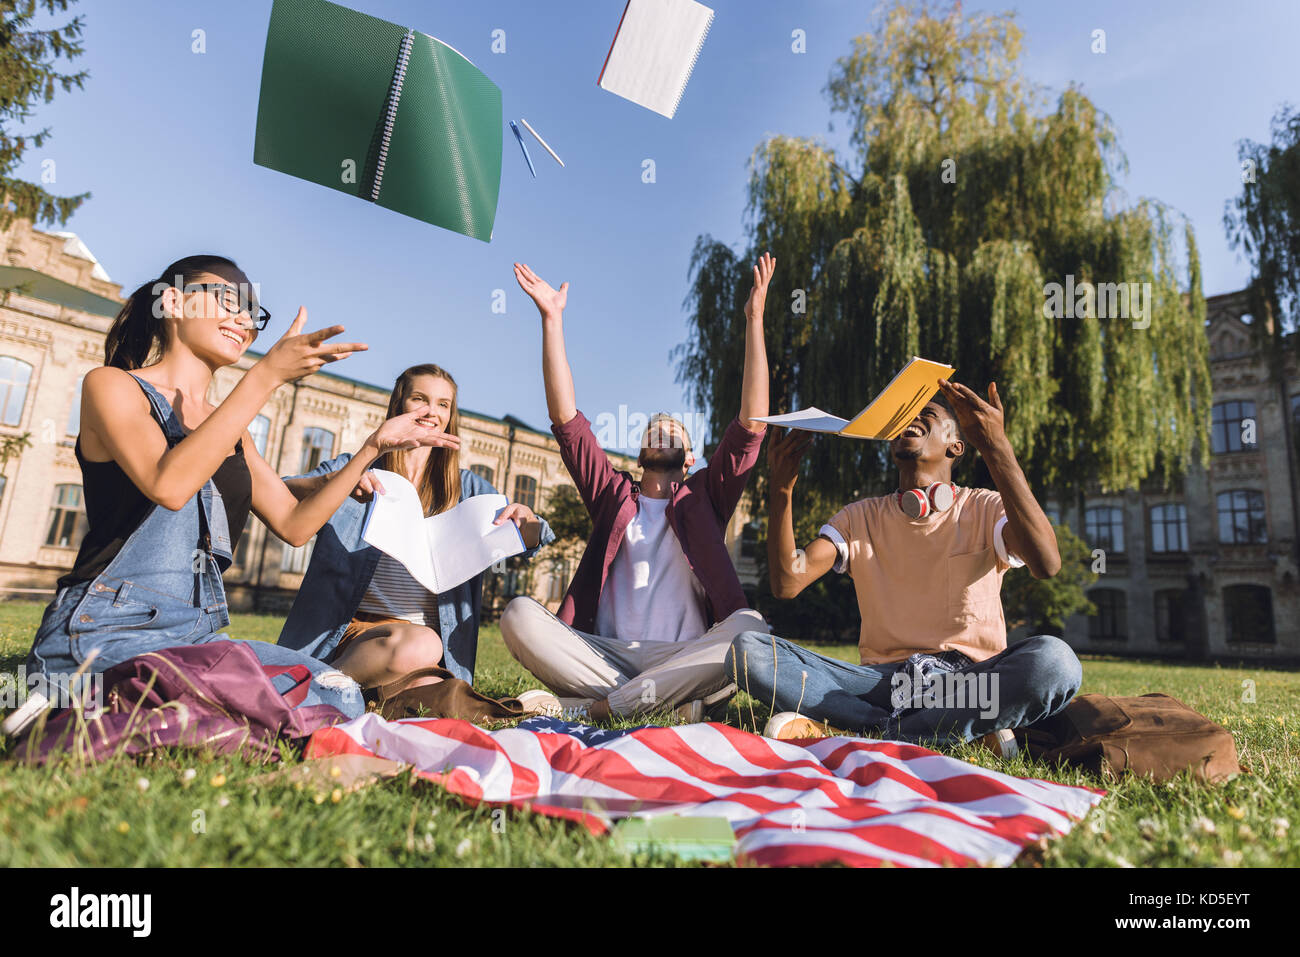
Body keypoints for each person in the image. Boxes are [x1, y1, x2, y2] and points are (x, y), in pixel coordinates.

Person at [18, 255, 459, 731]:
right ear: (172, 301)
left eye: (253, 312)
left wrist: (370, 450)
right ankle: (99, 701)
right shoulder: (113, 385)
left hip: (194, 637)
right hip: (106, 627)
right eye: (228, 300)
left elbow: (294, 523)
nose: (245, 320)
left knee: (341, 694)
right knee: (236, 694)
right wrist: (265, 377)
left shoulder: (234, 431)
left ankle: (159, 711)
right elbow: (168, 484)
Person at [730, 379, 1082, 753]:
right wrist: (781, 490)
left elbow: (1046, 563)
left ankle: (865, 732)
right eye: (903, 418)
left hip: (968, 681)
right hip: (880, 684)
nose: (911, 419)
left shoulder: (986, 506)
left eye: (926, 414)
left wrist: (997, 447)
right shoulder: (859, 517)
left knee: (1055, 662)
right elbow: (787, 582)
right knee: (747, 652)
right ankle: (952, 730)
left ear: (956, 446)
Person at [498, 256, 776, 722]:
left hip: (683, 657)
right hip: (603, 657)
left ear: (691, 458)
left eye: (675, 429)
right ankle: (659, 703)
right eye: (655, 427)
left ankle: (600, 708)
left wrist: (754, 318)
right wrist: (552, 319)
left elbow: (751, 426)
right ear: (640, 450)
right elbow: (567, 421)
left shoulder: (707, 497)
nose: (663, 429)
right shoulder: (611, 493)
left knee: (749, 627)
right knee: (518, 615)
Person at [276, 363, 554, 689]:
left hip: (419, 644)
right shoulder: (357, 467)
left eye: (442, 404)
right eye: (419, 399)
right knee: (422, 648)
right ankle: (309, 690)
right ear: (398, 405)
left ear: (451, 415)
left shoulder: (469, 489)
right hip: (349, 630)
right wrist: (337, 482)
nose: (430, 412)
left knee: (426, 680)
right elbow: (281, 492)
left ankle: (345, 689)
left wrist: (527, 522)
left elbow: (534, 539)